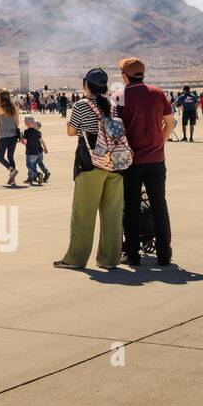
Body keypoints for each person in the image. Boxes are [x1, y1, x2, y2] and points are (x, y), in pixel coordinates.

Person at [54, 68, 124, 270]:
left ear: (87, 85)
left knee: (84, 214)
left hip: (91, 164)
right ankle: (110, 259)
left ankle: (76, 258)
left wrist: (70, 123)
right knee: (112, 215)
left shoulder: (81, 106)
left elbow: (71, 131)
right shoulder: (112, 105)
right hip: (115, 164)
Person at [116, 57, 175, 268]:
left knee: (130, 207)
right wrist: (160, 142)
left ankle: (132, 254)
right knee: (159, 205)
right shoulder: (158, 93)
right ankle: (164, 255)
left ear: (124, 75)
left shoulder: (119, 96)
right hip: (156, 161)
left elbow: (116, 128)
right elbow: (170, 122)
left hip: (131, 162)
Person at [0, 89, 22, 188]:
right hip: (14, 135)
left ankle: (11, 170)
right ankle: (13, 180)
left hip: (4, 136)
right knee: (11, 157)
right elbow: (17, 122)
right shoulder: (13, 106)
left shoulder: (1, 107)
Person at [22, 118, 50, 185]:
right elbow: (41, 140)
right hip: (37, 152)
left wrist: (20, 139)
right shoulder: (37, 132)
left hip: (30, 152)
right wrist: (45, 148)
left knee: (29, 165)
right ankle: (31, 178)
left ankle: (37, 174)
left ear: (27, 124)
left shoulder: (26, 131)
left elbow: (24, 141)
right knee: (34, 164)